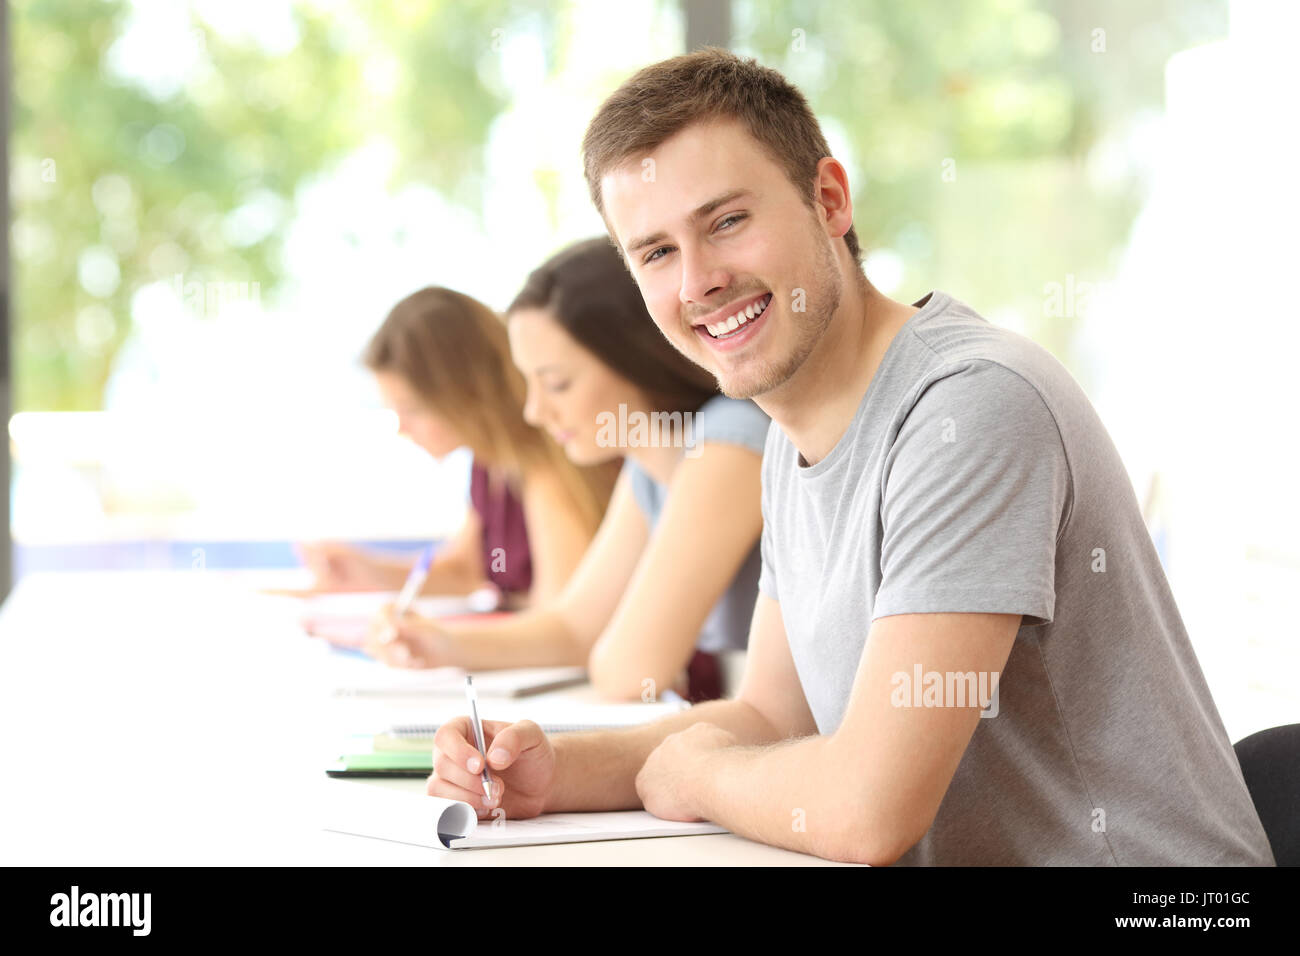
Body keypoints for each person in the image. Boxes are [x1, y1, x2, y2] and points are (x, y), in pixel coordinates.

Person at [418, 48, 1276, 866]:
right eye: (657, 252)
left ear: (830, 199)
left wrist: (694, 774)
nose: (697, 282)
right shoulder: (790, 444)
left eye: (727, 221)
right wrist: (554, 771)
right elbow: (770, 715)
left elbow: (870, 809)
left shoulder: (970, 407)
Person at [366, 238, 769, 702]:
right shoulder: (648, 469)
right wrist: (441, 642)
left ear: (634, 358)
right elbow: (576, 627)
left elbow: (629, 670)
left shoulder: (728, 438)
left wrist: (606, 654)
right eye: (528, 383)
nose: (535, 412)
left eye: (556, 383)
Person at [299, 287, 617, 609]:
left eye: (413, 408)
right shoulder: (490, 463)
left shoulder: (545, 465)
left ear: (466, 393)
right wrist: (368, 570)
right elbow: (468, 570)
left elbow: (559, 622)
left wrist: (444, 641)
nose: (402, 427)